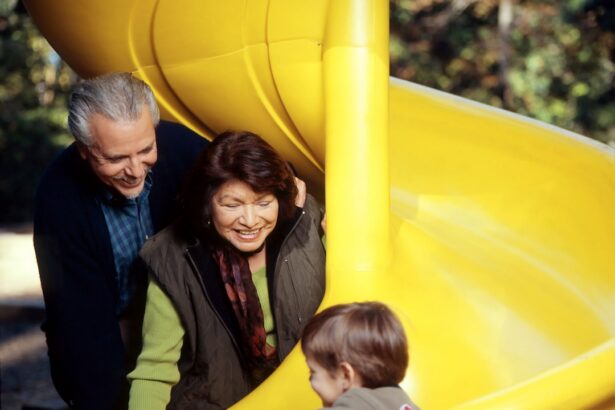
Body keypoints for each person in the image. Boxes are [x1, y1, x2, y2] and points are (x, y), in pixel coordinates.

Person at [33, 72, 208, 409]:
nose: (136, 170)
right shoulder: (57, 200)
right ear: (84, 150)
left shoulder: (181, 145)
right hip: (105, 332)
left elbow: (245, 180)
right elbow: (80, 330)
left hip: (179, 327)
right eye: (116, 159)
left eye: (146, 150)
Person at [127, 131, 326, 409]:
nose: (250, 221)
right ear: (207, 204)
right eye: (232, 205)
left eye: (263, 203)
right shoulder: (173, 259)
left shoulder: (307, 225)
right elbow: (154, 372)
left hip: (307, 397)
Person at [301, 302, 420, 410]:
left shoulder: (358, 402)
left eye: (312, 372)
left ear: (345, 375)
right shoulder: (404, 403)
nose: (310, 380)